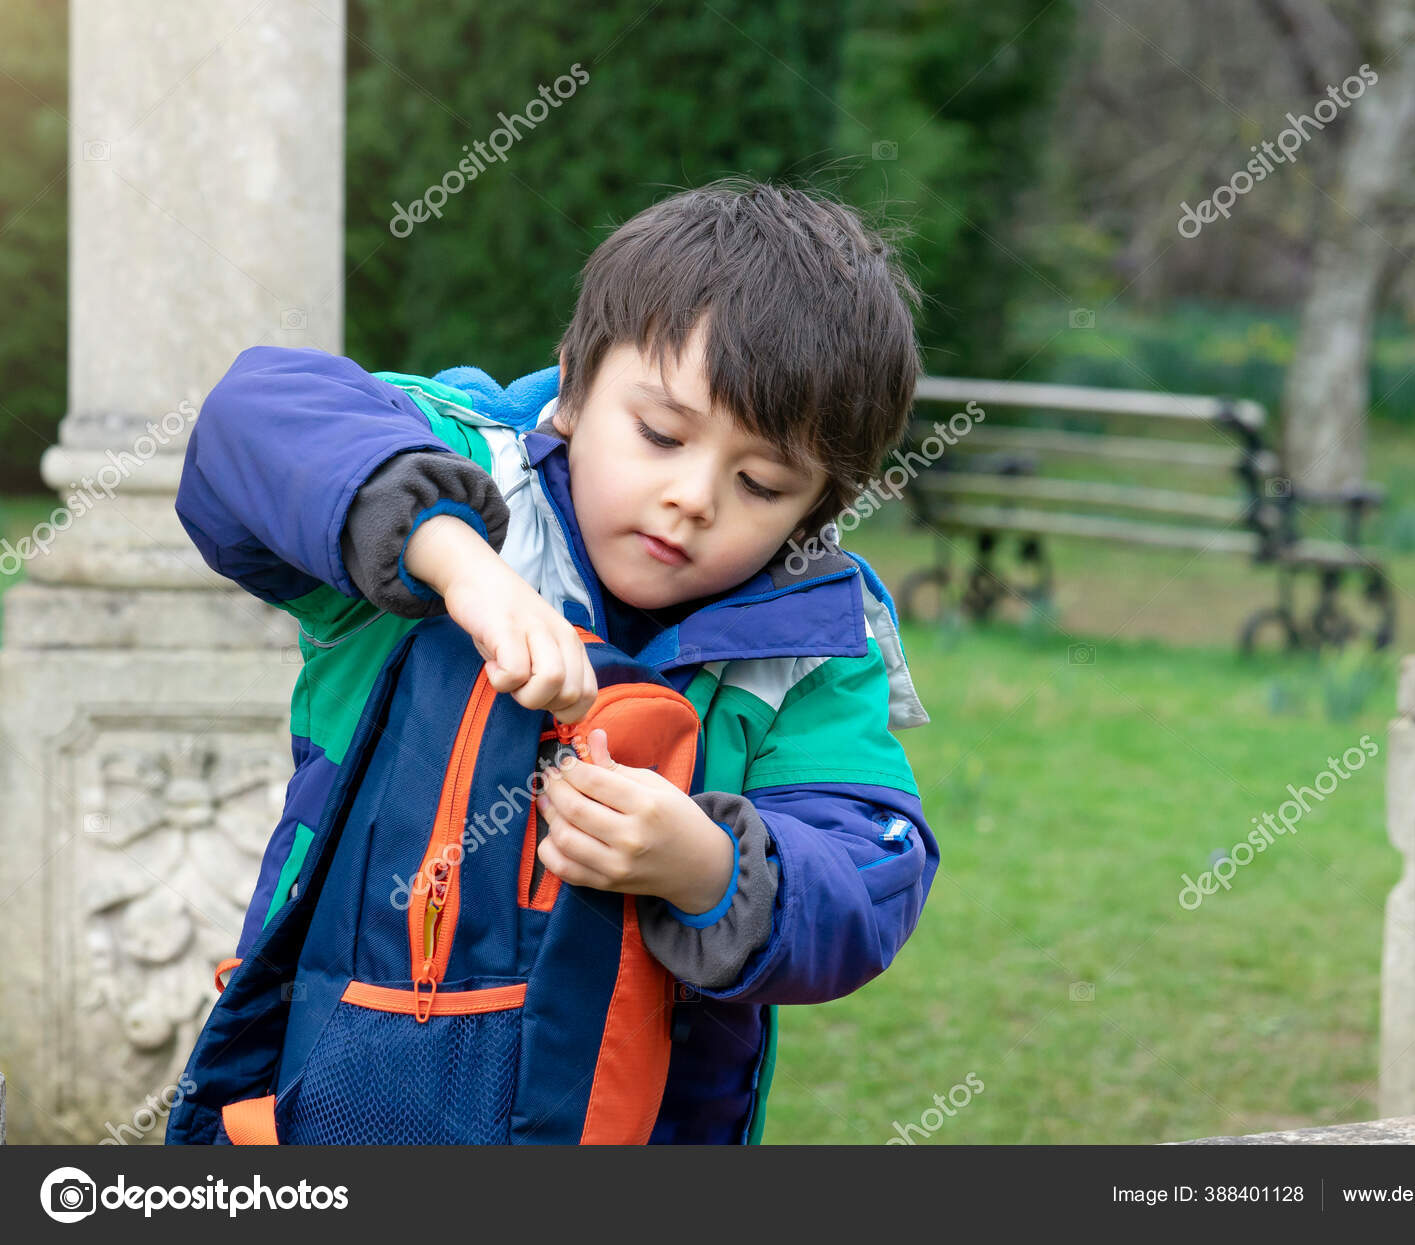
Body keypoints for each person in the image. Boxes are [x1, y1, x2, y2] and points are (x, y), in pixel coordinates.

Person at [175, 177, 938, 1144]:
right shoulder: (465, 469)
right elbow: (254, 414)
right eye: (660, 433)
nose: (694, 497)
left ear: (817, 509)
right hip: (324, 1111)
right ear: (573, 387)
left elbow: (872, 872)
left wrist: (708, 866)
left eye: (760, 482)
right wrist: (455, 559)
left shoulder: (814, 646)